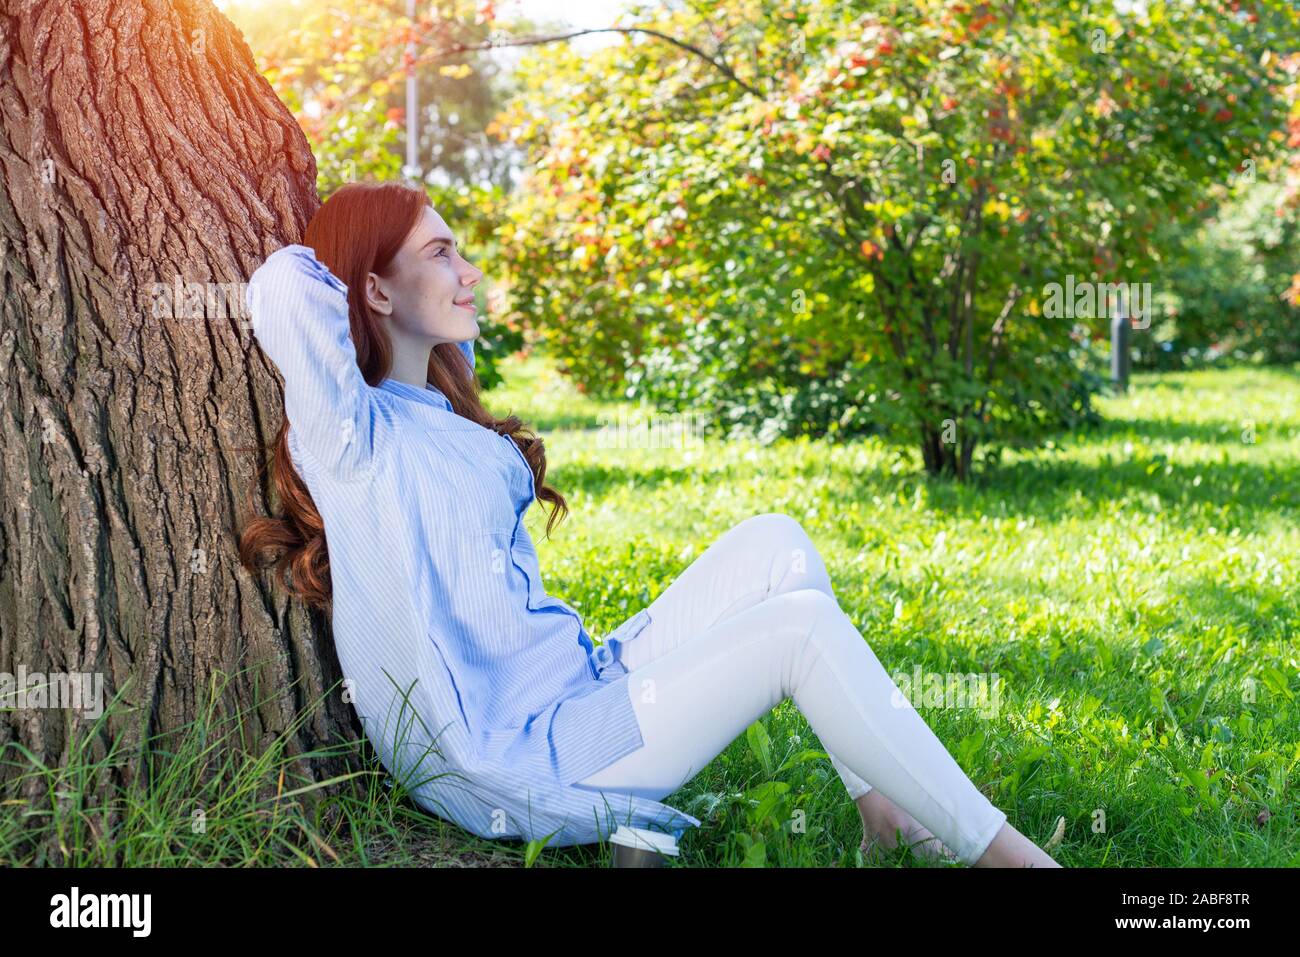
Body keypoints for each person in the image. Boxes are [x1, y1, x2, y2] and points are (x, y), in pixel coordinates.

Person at [238, 180, 1061, 867]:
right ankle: (1011, 859)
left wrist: (406, 271)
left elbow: (433, 359)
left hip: (583, 693)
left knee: (777, 542)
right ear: (374, 290)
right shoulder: (356, 438)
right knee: (798, 631)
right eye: (440, 252)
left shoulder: (442, 421)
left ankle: (888, 814)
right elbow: (283, 287)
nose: (470, 271)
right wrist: (341, 241)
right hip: (525, 755)